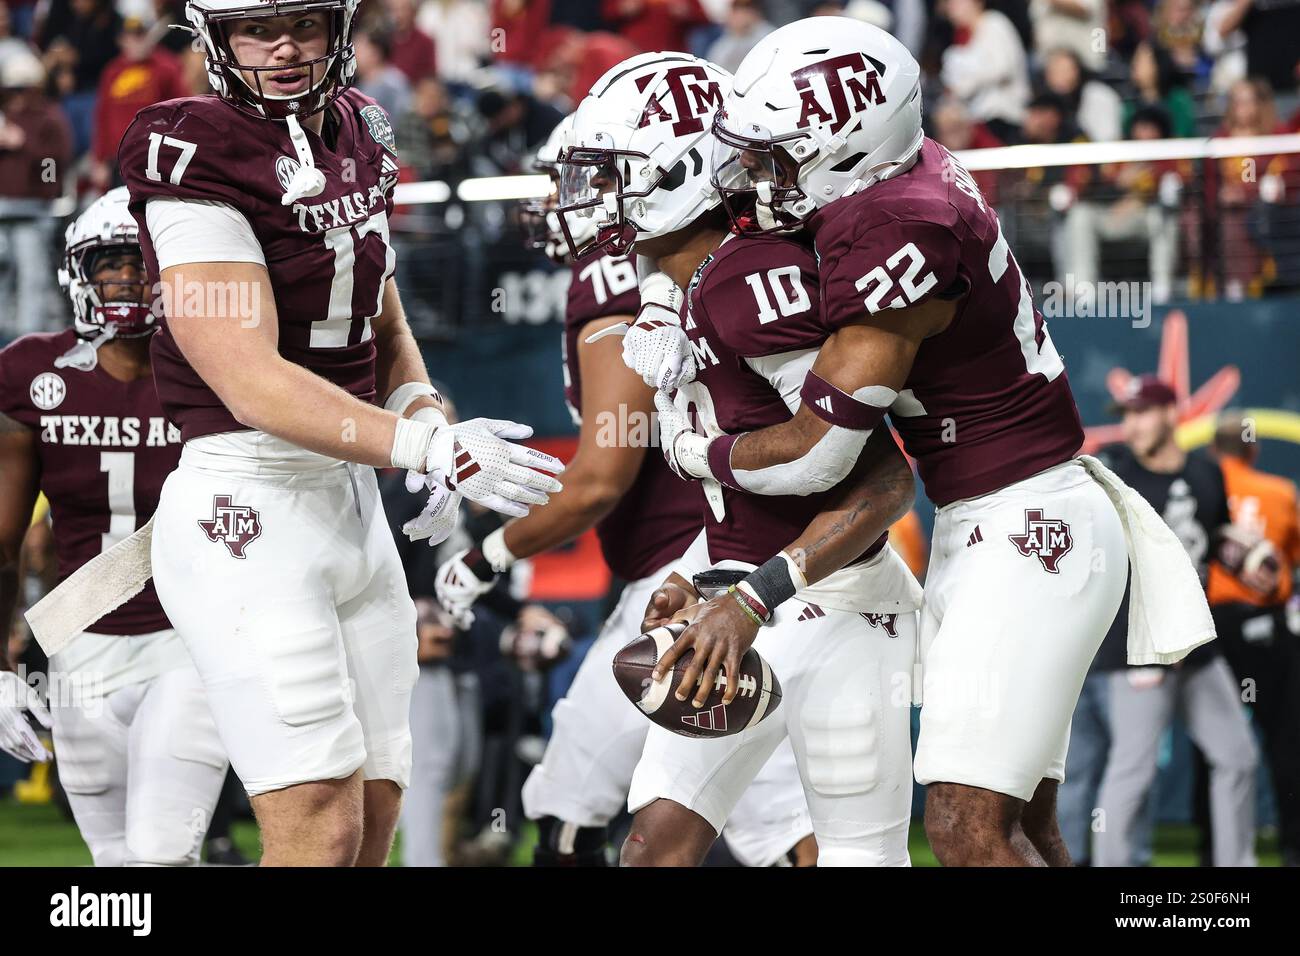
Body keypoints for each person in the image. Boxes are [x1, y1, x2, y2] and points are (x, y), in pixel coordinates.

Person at [641, 16, 1159, 866]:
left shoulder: (896, 230)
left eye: (776, 153)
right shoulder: (891, 175)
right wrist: (674, 301)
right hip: (1003, 516)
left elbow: (821, 450)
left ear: (847, 148)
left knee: (963, 828)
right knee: (1023, 828)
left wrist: (697, 452)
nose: (752, 174)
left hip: (1026, 523)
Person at [104, 0, 561, 867]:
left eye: (304, 24)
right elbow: (246, 378)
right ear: (216, 40)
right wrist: (421, 446)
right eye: (254, 29)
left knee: (376, 806)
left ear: (341, 27)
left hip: (351, 500)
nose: (281, 46)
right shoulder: (189, 144)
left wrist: (426, 410)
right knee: (317, 814)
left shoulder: (362, 126)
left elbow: (379, 319)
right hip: (250, 497)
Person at [556, 51, 924, 867]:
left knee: (851, 857)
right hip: (744, 586)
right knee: (653, 844)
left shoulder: (749, 281)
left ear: (683, 171)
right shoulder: (685, 279)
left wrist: (751, 592)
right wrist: (704, 567)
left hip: (837, 599)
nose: (592, 197)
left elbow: (886, 480)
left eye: (615, 173)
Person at [438, 105, 816, 867]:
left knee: (747, 810)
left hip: (698, 564)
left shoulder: (618, 272)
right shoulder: (705, 261)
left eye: (589, 178)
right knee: (614, 798)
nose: (566, 199)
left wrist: (486, 556)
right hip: (708, 556)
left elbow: (601, 477)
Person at [0, 188, 228, 866]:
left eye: (141, 262)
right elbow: (2, 544)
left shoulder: (219, 366)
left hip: (190, 636)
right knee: (117, 863)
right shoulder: (28, 372)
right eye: (110, 263)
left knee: (163, 852)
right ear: (80, 273)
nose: (127, 278)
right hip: (79, 640)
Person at [1090, 376, 1258, 867]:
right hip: (1138, 645)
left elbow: (1217, 540)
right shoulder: (1114, 476)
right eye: (1126, 415)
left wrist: (1249, 557)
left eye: (1141, 412)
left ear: (1171, 414)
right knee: (1134, 772)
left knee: (1238, 757)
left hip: (1198, 646)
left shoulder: (1209, 474)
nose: (1132, 424)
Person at [1208, 411, 1300, 866]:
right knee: (1286, 738)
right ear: (1254, 450)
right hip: (1267, 632)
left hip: (1211, 629)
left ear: (1211, 452)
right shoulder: (1280, 492)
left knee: (1211, 745)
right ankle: (1291, 844)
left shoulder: (1204, 488)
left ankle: (1210, 848)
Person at [0, 51, 72, 339]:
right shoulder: (5, 118)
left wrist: (24, 145)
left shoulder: (47, 119)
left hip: (32, 213)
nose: (16, 97)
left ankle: (28, 339)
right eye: (11, 90)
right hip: (4, 210)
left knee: (33, 276)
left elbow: (52, 167)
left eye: (22, 89)